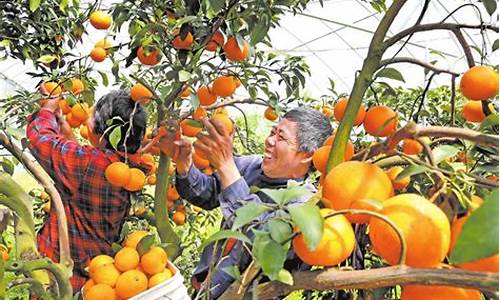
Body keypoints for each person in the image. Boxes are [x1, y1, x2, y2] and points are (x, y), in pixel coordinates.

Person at [162, 106, 332, 298]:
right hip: (206, 288)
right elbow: (207, 194)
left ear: (308, 155)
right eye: (272, 132)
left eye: (281, 138)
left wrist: (227, 167)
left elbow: (261, 241)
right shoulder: (252, 166)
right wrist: (184, 163)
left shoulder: (305, 205)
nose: (269, 140)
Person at [26, 90, 148, 292]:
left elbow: (40, 140)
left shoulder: (89, 164)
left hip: (61, 276)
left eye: (92, 116)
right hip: (96, 274)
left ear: (102, 130)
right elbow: (88, 173)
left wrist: (47, 110)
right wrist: (66, 132)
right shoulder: (132, 167)